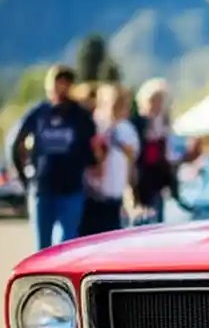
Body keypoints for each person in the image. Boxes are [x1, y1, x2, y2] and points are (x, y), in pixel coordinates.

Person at [9, 65, 99, 250]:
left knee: (68, 246)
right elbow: (15, 143)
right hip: (43, 189)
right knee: (42, 248)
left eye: (65, 83)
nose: (61, 88)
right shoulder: (39, 113)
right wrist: (24, 178)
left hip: (71, 190)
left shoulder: (80, 116)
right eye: (57, 83)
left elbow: (92, 148)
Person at [131, 78, 196, 224]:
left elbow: (170, 154)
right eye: (154, 100)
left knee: (157, 219)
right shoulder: (138, 124)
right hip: (141, 182)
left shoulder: (165, 125)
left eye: (160, 100)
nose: (157, 105)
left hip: (158, 181)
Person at [79, 83, 138, 236]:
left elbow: (131, 161)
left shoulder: (126, 129)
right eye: (115, 104)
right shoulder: (94, 125)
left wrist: (130, 193)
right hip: (93, 197)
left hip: (115, 198)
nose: (120, 109)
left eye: (123, 105)